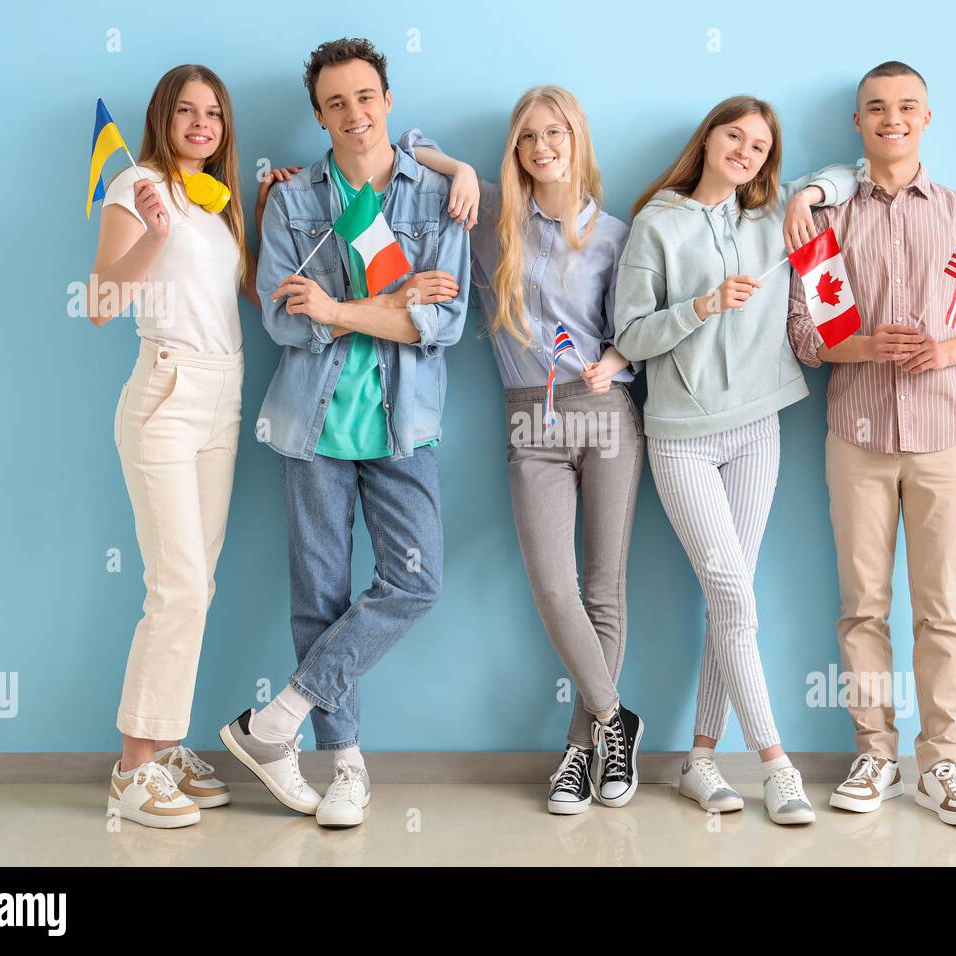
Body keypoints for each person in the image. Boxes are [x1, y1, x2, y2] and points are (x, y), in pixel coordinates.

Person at [217, 37, 470, 830]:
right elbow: (281, 322)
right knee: (318, 599)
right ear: (318, 114)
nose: (353, 114)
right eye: (335, 103)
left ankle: (276, 720)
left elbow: (444, 320)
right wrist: (373, 310)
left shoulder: (438, 193)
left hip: (405, 427)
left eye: (365, 97)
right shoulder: (293, 200)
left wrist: (334, 308)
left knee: (416, 582)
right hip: (312, 428)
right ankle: (346, 767)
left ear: (387, 100)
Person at [787, 61, 956, 826]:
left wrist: (955, 348)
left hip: (944, 436)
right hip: (855, 435)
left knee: (941, 608)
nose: (893, 118)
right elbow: (802, 331)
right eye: (877, 108)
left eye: (907, 107)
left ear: (928, 117)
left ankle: (942, 764)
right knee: (862, 607)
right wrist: (856, 348)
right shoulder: (827, 222)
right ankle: (875, 752)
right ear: (858, 124)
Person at [400, 85, 646, 814]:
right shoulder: (491, 228)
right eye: (528, 137)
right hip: (528, 421)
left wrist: (617, 361)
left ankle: (579, 751)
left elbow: (636, 329)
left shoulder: (616, 235)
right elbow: (408, 146)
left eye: (556, 134)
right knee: (552, 587)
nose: (543, 148)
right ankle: (615, 720)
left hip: (604, 414)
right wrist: (462, 169)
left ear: (577, 140)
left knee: (604, 589)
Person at [614, 95, 858, 826]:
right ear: (708, 139)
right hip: (682, 433)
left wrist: (808, 194)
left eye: (760, 145)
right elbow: (627, 338)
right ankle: (777, 766)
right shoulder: (656, 223)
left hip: (759, 428)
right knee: (733, 594)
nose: (746, 151)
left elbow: (848, 175)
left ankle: (699, 760)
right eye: (735, 135)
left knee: (733, 597)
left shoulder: (777, 215)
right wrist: (701, 306)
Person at [89, 64, 297, 829]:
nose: (202, 123)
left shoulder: (220, 204)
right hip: (166, 397)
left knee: (196, 585)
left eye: (214, 113)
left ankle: (165, 741)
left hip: (225, 393)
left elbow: (256, 294)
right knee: (174, 586)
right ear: (163, 118)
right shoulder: (136, 187)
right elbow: (102, 303)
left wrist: (271, 214)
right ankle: (132, 769)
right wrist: (157, 231)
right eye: (187, 111)